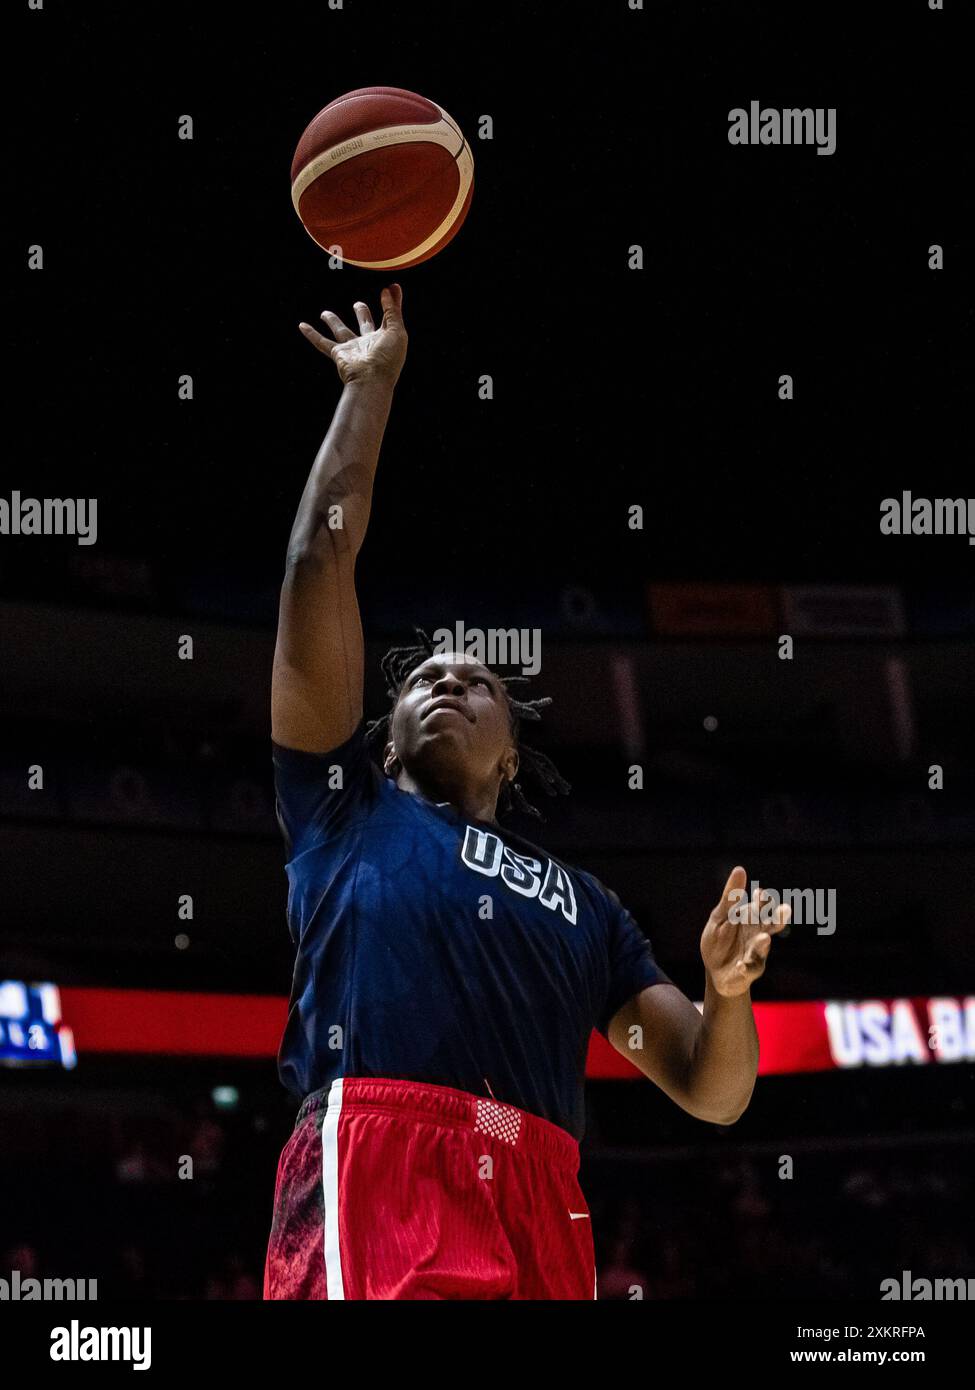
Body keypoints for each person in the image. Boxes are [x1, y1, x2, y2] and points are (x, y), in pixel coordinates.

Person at [262, 284, 789, 1300]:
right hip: (380, 1152)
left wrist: (727, 994)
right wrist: (369, 391)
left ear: (512, 754)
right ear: (378, 749)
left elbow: (712, 1092)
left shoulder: (587, 907)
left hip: (543, 1181)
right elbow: (314, 556)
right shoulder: (344, 813)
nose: (450, 680)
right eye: (422, 678)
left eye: (479, 679)